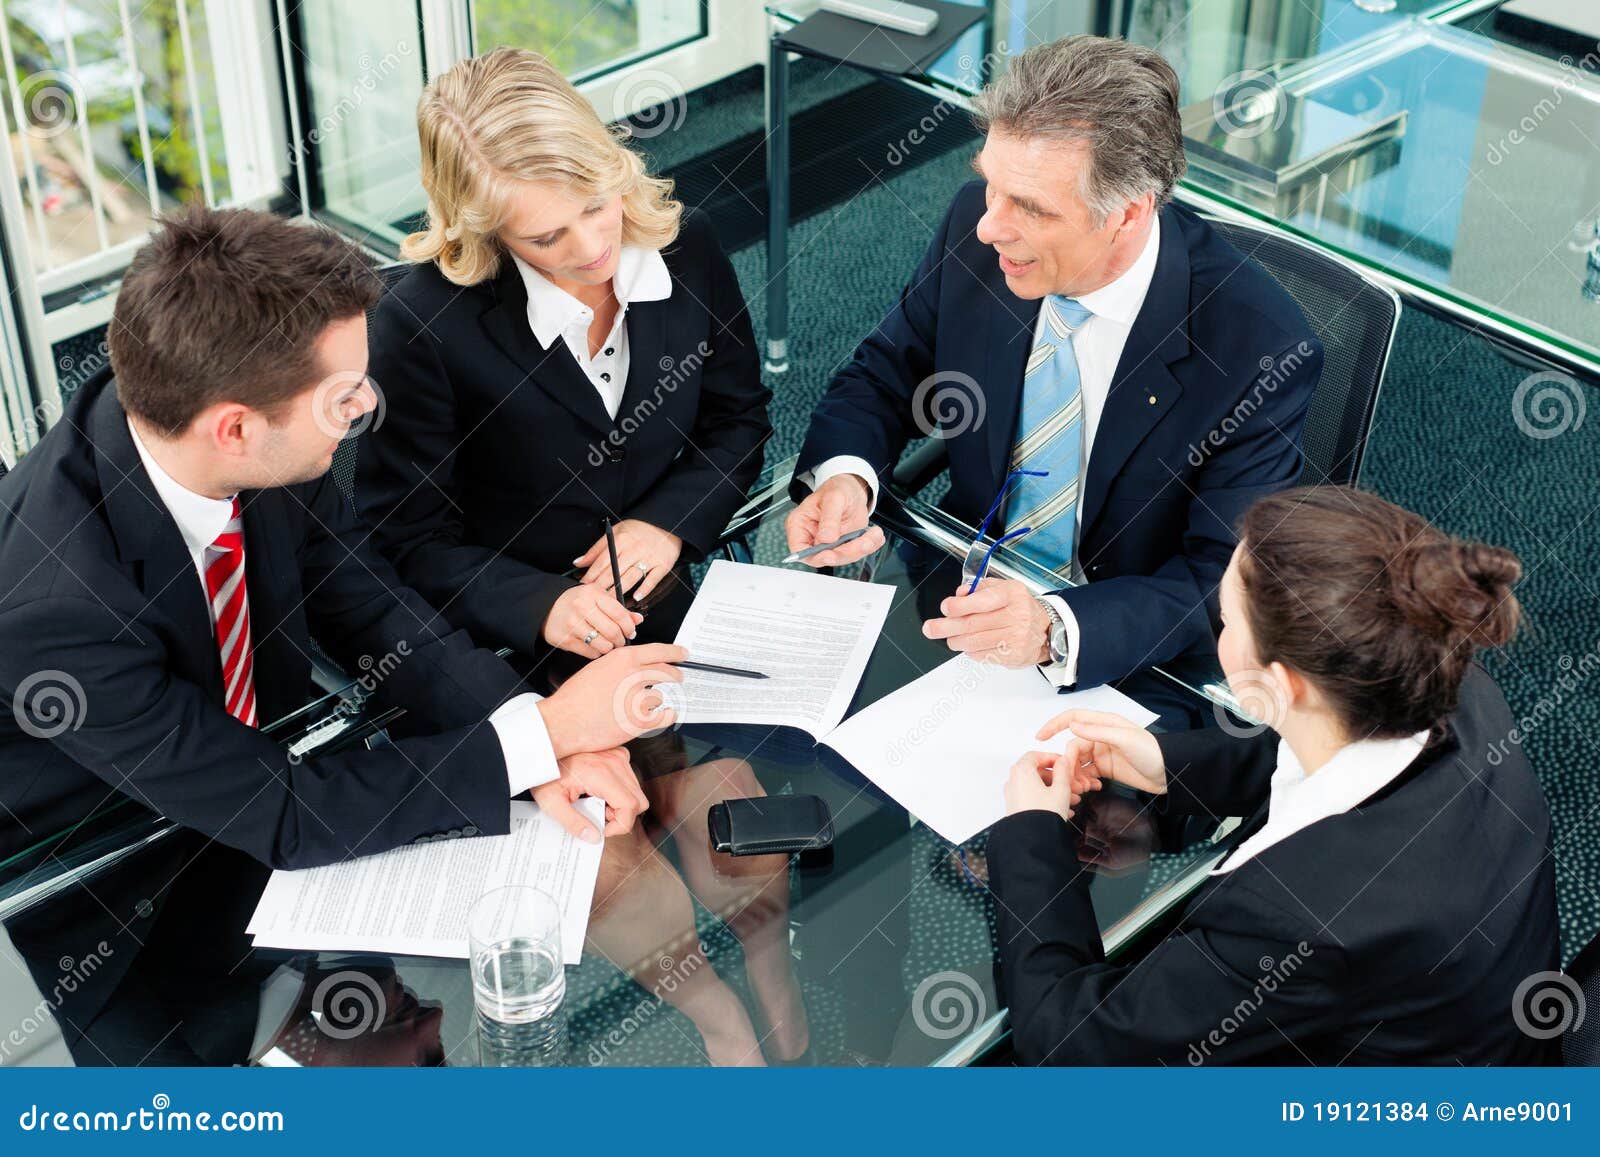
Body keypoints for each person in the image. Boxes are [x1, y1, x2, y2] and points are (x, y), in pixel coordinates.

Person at [0, 204, 678, 874]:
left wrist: (536, 736)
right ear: (235, 429)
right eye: (343, 394)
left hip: (266, 761)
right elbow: (286, 813)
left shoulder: (226, 421)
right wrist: (553, 731)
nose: (364, 406)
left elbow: (368, 605)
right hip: (104, 859)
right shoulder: (55, 612)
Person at [785, 36, 1321, 690]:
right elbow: (884, 375)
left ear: (1127, 214)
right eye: (991, 186)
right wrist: (847, 477)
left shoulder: (1255, 345)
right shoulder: (974, 230)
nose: (989, 227)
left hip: (1127, 651)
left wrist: (1055, 627)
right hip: (959, 588)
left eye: (1031, 208)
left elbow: (1221, 577)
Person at [987, 486, 1562, 1065]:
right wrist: (1166, 764)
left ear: (1283, 685)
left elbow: (1069, 1047)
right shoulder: (1451, 687)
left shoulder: (1290, 923)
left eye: (1228, 619)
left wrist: (1032, 834)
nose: (1219, 630)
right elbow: (1318, 752)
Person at [356, 47, 771, 664]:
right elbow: (407, 538)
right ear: (483, 227)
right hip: (502, 635)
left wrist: (667, 523)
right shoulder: (420, 324)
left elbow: (738, 419)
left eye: (596, 204)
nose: (592, 248)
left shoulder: (688, 247)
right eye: (546, 237)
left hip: (659, 590)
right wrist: (538, 603)